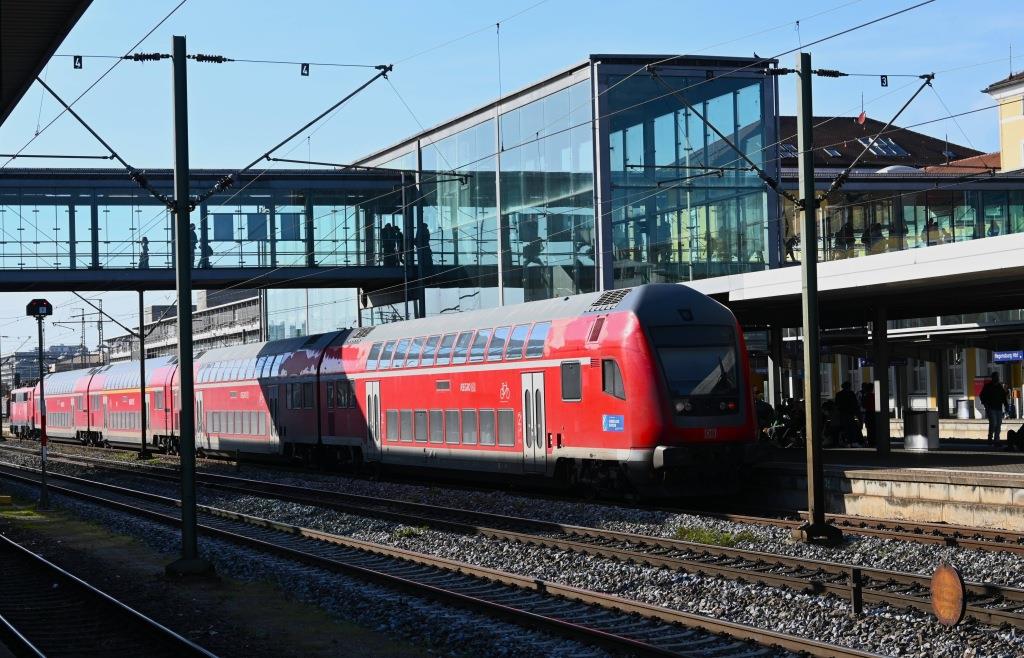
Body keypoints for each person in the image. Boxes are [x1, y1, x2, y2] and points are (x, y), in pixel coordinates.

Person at [979, 372, 1009, 445]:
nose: (997, 378)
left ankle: (996, 440)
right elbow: (981, 395)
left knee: (998, 424)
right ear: (993, 378)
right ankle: (990, 438)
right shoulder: (988, 386)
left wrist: (1006, 405)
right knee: (993, 423)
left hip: (998, 408)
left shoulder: (999, 386)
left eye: (998, 377)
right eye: (996, 377)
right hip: (991, 408)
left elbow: (1003, 397)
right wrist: (985, 405)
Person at [834, 381, 862, 447]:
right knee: (852, 428)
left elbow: (837, 405)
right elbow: (855, 404)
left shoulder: (838, 394)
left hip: (843, 413)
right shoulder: (851, 393)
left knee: (846, 428)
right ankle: (853, 441)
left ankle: (848, 442)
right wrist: (858, 415)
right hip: (850, 413)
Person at [859, 382, 876, 447]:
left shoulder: (865, 396)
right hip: (874, 413)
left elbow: (863, 405)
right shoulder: (874, 396)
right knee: (873, 428)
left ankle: (870, 442)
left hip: (868, 413)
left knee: (869, 428)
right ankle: (874, 441)